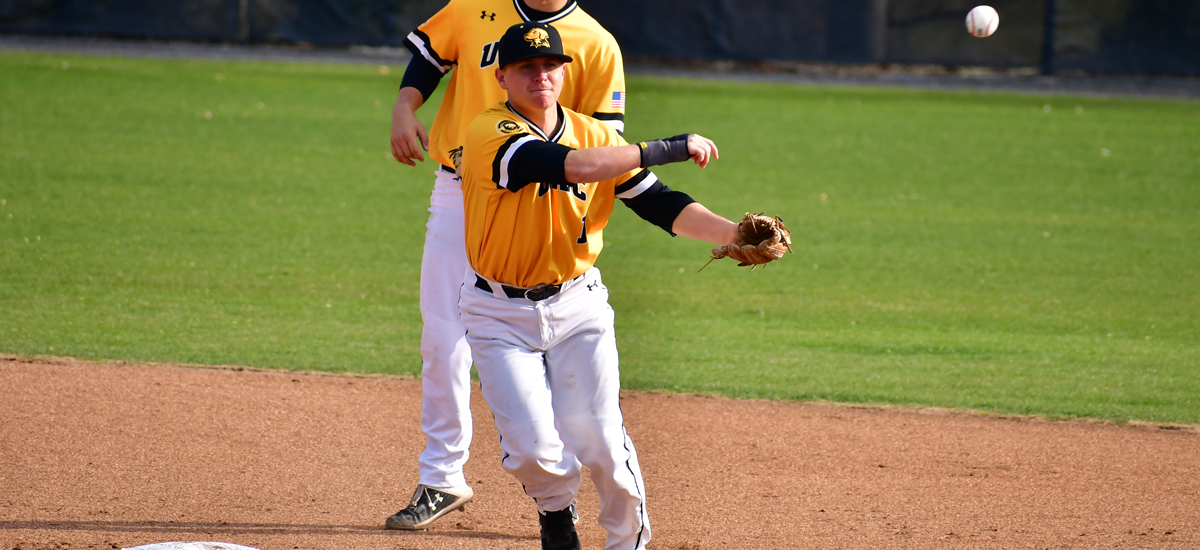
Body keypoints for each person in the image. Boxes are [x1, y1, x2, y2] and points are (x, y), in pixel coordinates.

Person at [458, 22, 741, 550]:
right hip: (497, 313)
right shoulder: (486, 132)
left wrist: (733, 235)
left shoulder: (597, 134)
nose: (540, 76)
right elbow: (569, 165)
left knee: (602, 439)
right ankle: (555, 509)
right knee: (531, 451)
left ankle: (626, 544)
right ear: (502, 76)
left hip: (577, 305)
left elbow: (661, 205)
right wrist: (670, 146)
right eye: (526, 67)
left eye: (550, 66)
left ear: (565, 73)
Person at [385, 0, 627, 531]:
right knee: (443, 333)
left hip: (542, 196)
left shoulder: (595, 41)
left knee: (540, 337)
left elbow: (605, 146)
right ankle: (442, 475)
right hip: (460, 186)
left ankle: (557, 488)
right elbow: (430, 56)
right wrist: (406, 106)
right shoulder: (473, 7)